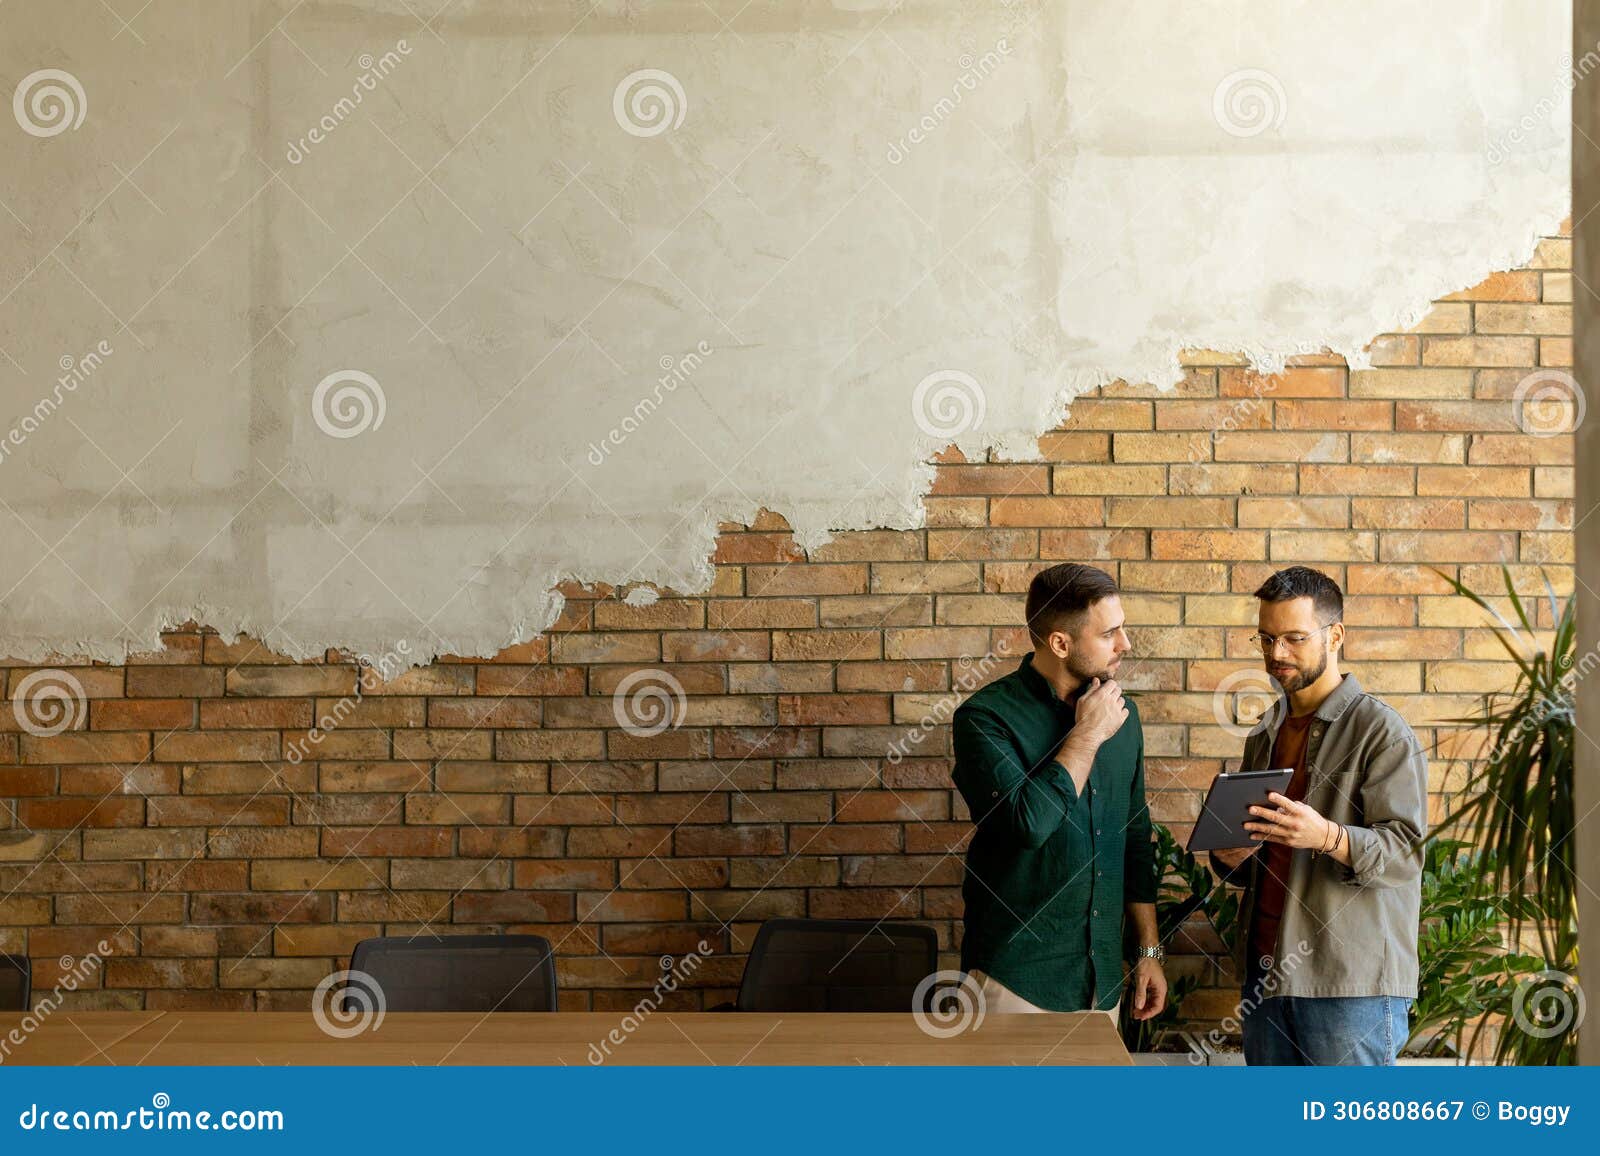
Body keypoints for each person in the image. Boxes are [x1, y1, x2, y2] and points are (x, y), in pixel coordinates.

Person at [1211, 565, 1426, 1065]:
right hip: (1266, 973)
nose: (1276, 654)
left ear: (1336, 636)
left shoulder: (1383, 732)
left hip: (1348, 984)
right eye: (1266, 638)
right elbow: (1256, 855)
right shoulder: (1267, 728)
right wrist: (1230, 855)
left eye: (1293, 638)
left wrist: (1327, 835)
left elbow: (1405, 855)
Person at [951, 562, 1165, 1021]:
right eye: (1109, 634)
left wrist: (1148, 951)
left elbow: (1134, 841)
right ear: (1060, 643)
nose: (1125, 645)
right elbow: (1028, 825)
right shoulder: (985, 719)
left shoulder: (1122, 717)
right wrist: (1086, 736)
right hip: (1017, 981)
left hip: (1102, 983)